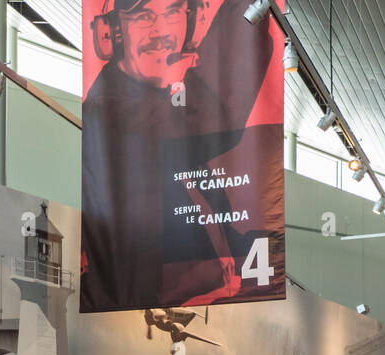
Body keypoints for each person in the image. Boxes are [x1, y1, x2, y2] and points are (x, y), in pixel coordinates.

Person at [81, 0, 269, 311]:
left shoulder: (160, 98)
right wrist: (248, 11)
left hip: (209, 290)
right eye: (142, 17)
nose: (161, 32)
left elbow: (209, 213)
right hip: (159, 292)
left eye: (172, 13)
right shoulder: (107, 107)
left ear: (190, 21)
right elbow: (215, 118)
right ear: (112, 32)